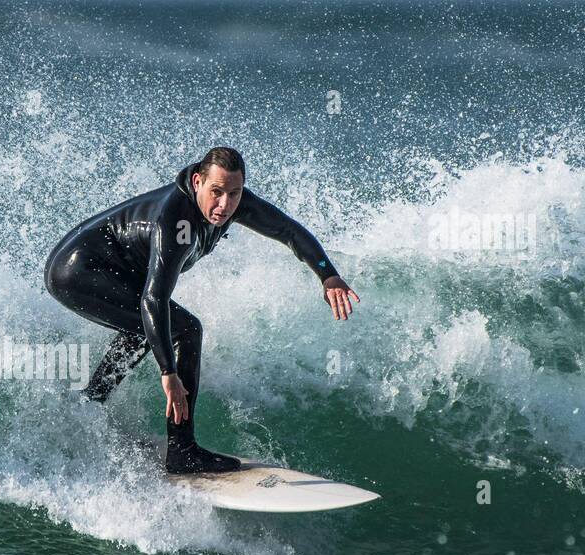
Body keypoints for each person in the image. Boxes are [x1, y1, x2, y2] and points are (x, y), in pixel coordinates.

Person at [43, 146, 359, 474]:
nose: (224, 205)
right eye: (217, 192)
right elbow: (154, 300)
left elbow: (289, 231)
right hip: (78, 271)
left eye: (234, 194)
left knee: (146, 329)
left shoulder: (235, 203)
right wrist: (169, 373)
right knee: (184, 329)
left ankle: (89, 405)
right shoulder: (176, 223)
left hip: (105, 268)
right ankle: (182, 450)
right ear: (197, 182)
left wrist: (328, 274)